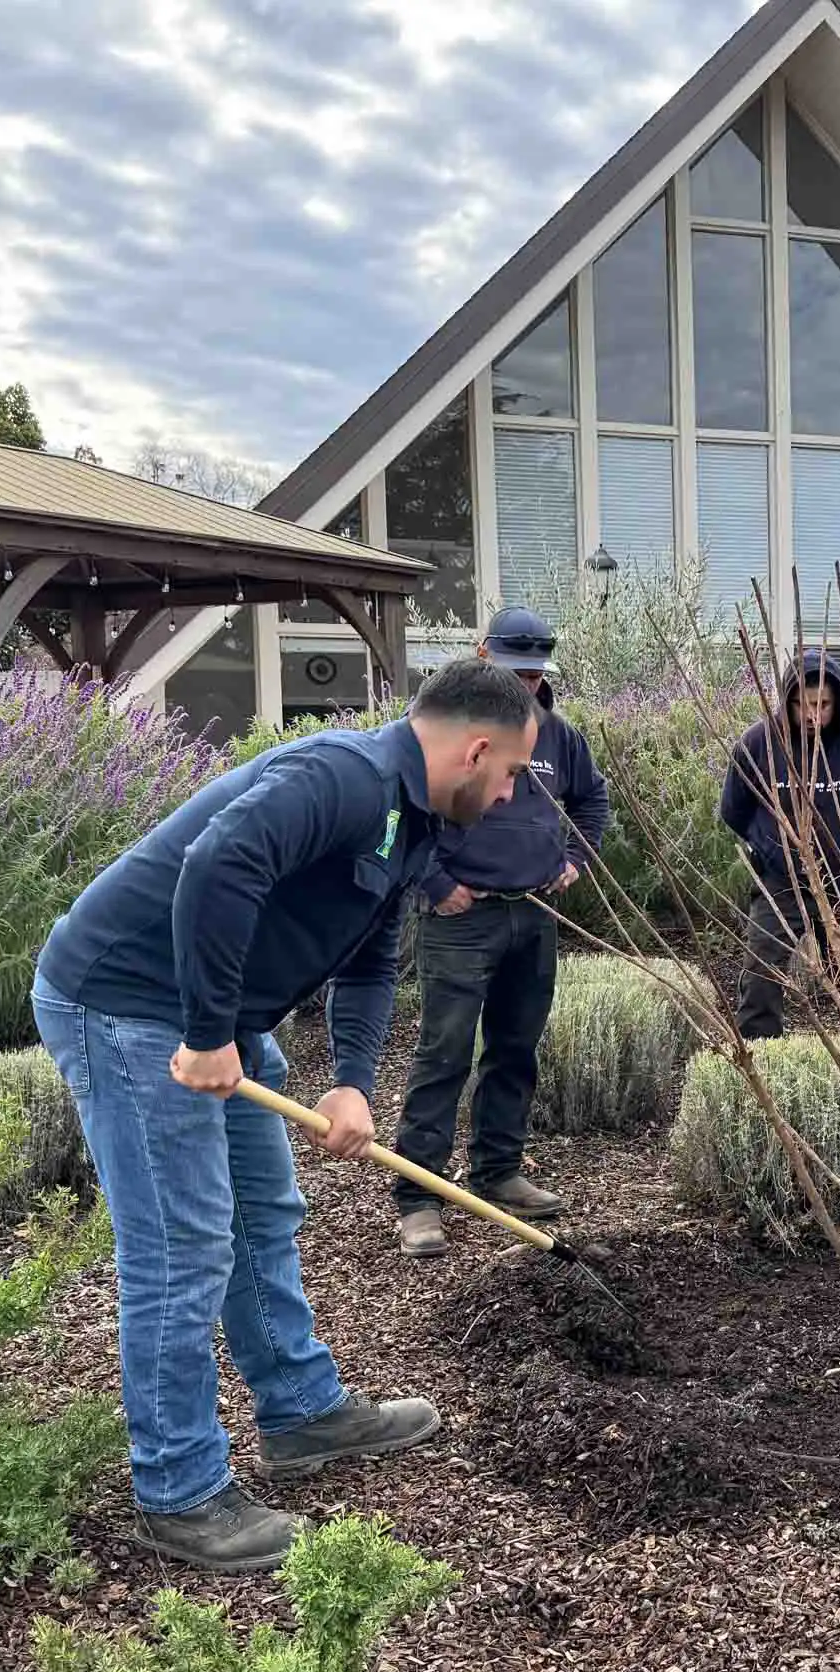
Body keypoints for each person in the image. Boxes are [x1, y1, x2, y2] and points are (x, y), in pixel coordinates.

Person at [31, 660, 541, 1572]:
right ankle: (180, 1492)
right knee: (181, 1248)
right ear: (474, 750)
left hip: (216, 1020)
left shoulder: (414, 825)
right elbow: (215, 864)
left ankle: (302, 1411)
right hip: (125, 1004)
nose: (506, 796)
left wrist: (350, 1081)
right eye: (507, 775)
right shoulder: (339, 778)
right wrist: (204, 1032)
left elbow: (373, 957)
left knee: (265, 1212)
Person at [392, 608, 610, 1258]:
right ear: (484, 655)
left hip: (534, 912)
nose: (527, 684)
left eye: (536, 674)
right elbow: (402, 806)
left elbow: (592, 800)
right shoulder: (441, 729)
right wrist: (434, 882)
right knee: (444, 1055)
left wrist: (575, 859)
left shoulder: (560, 736)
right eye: (516, 671)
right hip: (463, 916)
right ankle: (419, 1198)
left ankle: (498, 1171)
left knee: (516, 1049)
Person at [717, 651, 840, 1039]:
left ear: (839, 701)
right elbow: (734, 809)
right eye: (802, 705)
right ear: (787, 702)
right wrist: (769, 849)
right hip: (782, 881)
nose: (813, 715)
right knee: (762, 967)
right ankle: (762, 1052)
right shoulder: (757, 744)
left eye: (823, 705)